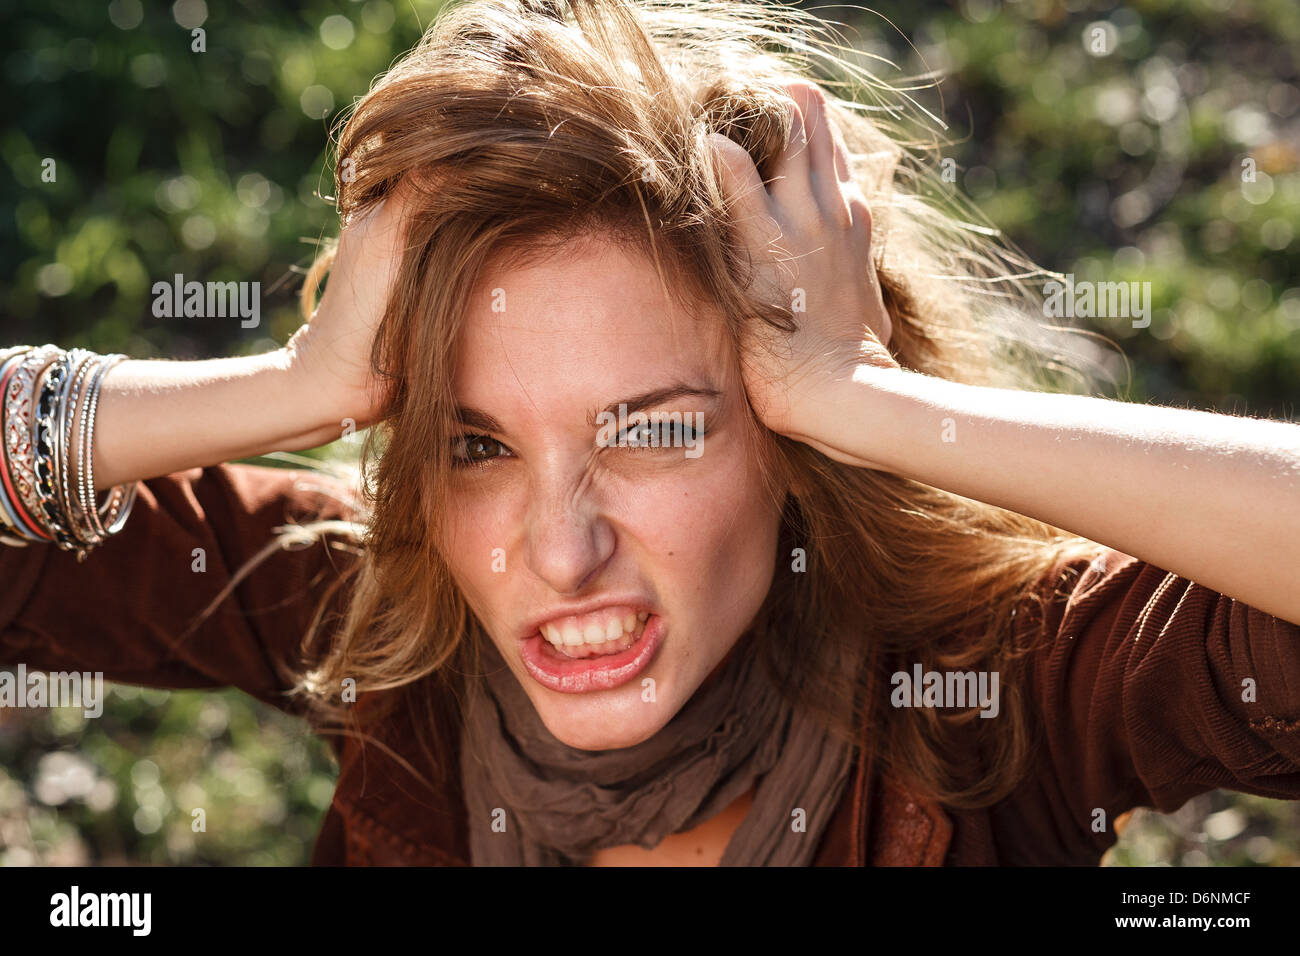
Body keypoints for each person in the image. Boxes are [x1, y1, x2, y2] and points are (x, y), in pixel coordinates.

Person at [3, 0, 1298, 866]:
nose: (557, 556)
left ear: (790, 445)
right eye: (480, 444)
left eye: (652, 434)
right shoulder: (397, 635)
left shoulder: (1003, 698)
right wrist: (297, 383)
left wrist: (869, 399)